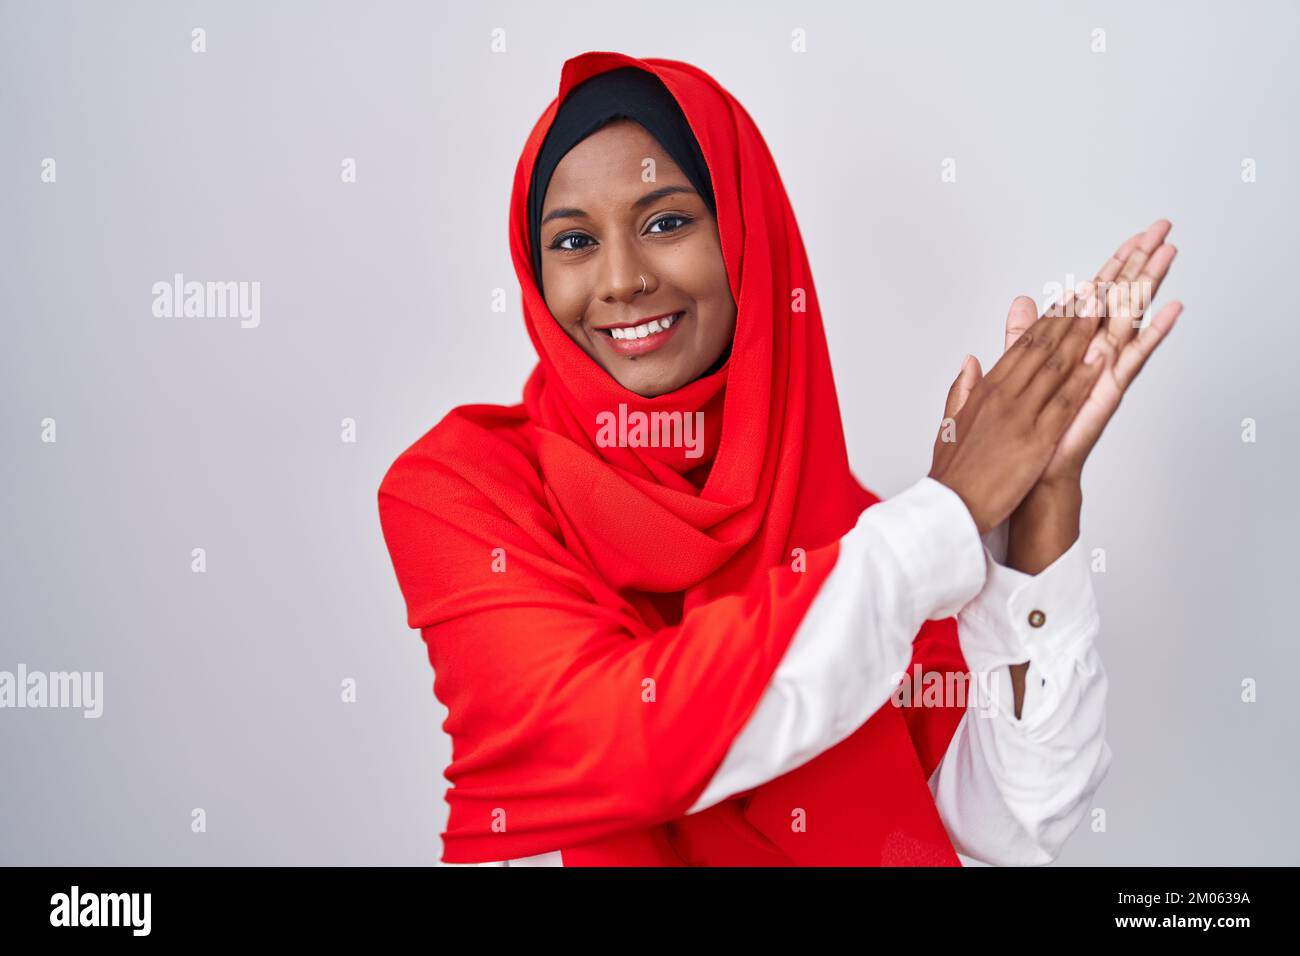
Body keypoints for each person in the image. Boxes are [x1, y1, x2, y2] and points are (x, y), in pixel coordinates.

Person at [377, 51, 1182, 866]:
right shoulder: (463, 491)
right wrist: (946, 519)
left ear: (747, 238)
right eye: (574, 240)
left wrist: (1037, 521)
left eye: (666, 222)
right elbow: (604, 744)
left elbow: (1011, 824)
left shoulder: (867, 542)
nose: (620, 279)